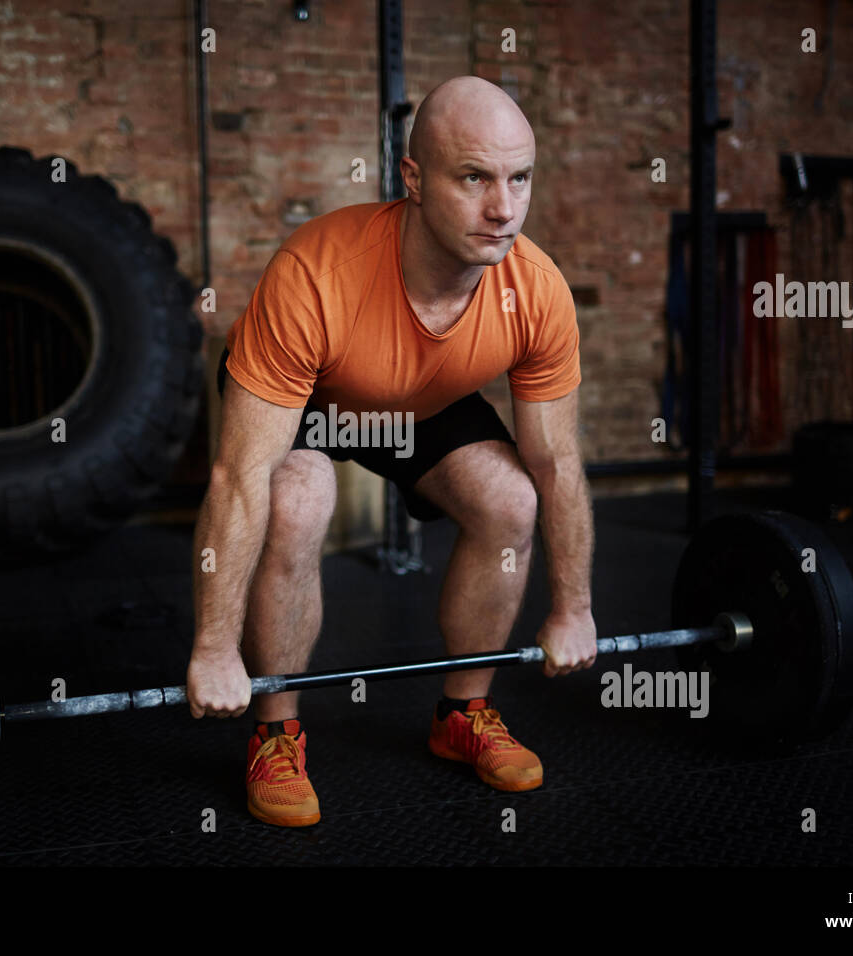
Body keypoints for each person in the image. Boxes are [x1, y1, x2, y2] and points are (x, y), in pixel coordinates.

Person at [189, 75, 597, 827]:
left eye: (519, 179)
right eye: (473, 177)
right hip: (314, 397)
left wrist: (574, 608)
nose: (503, 209)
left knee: (511, 496)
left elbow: (557, 462)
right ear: (412, 178)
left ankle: (462, 715)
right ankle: (276, 732)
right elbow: (238, 473)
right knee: (295, 499)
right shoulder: (315, 276)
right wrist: (215, 647)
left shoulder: (535, 289)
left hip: (425, 402)